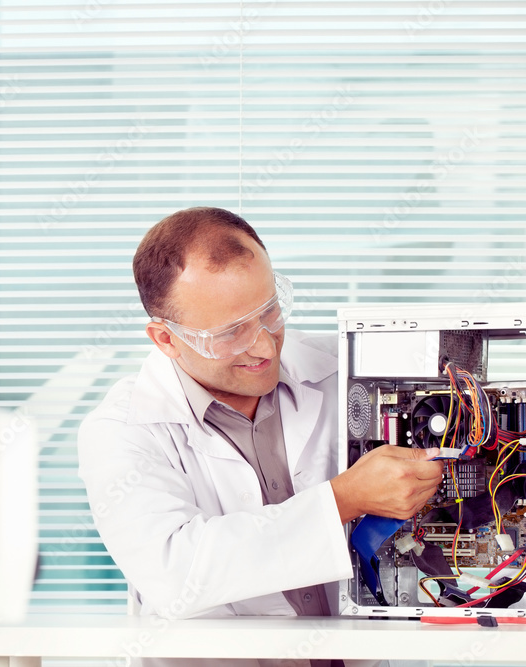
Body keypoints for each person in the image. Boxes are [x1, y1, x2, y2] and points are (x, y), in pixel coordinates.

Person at [77, 207, 443, 667]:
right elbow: (175, 572)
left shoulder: (349, 373)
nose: (265, 346)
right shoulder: (121, 430)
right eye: (230, 333)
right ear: (166, 339)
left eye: (269, 311)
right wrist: (341, 501)